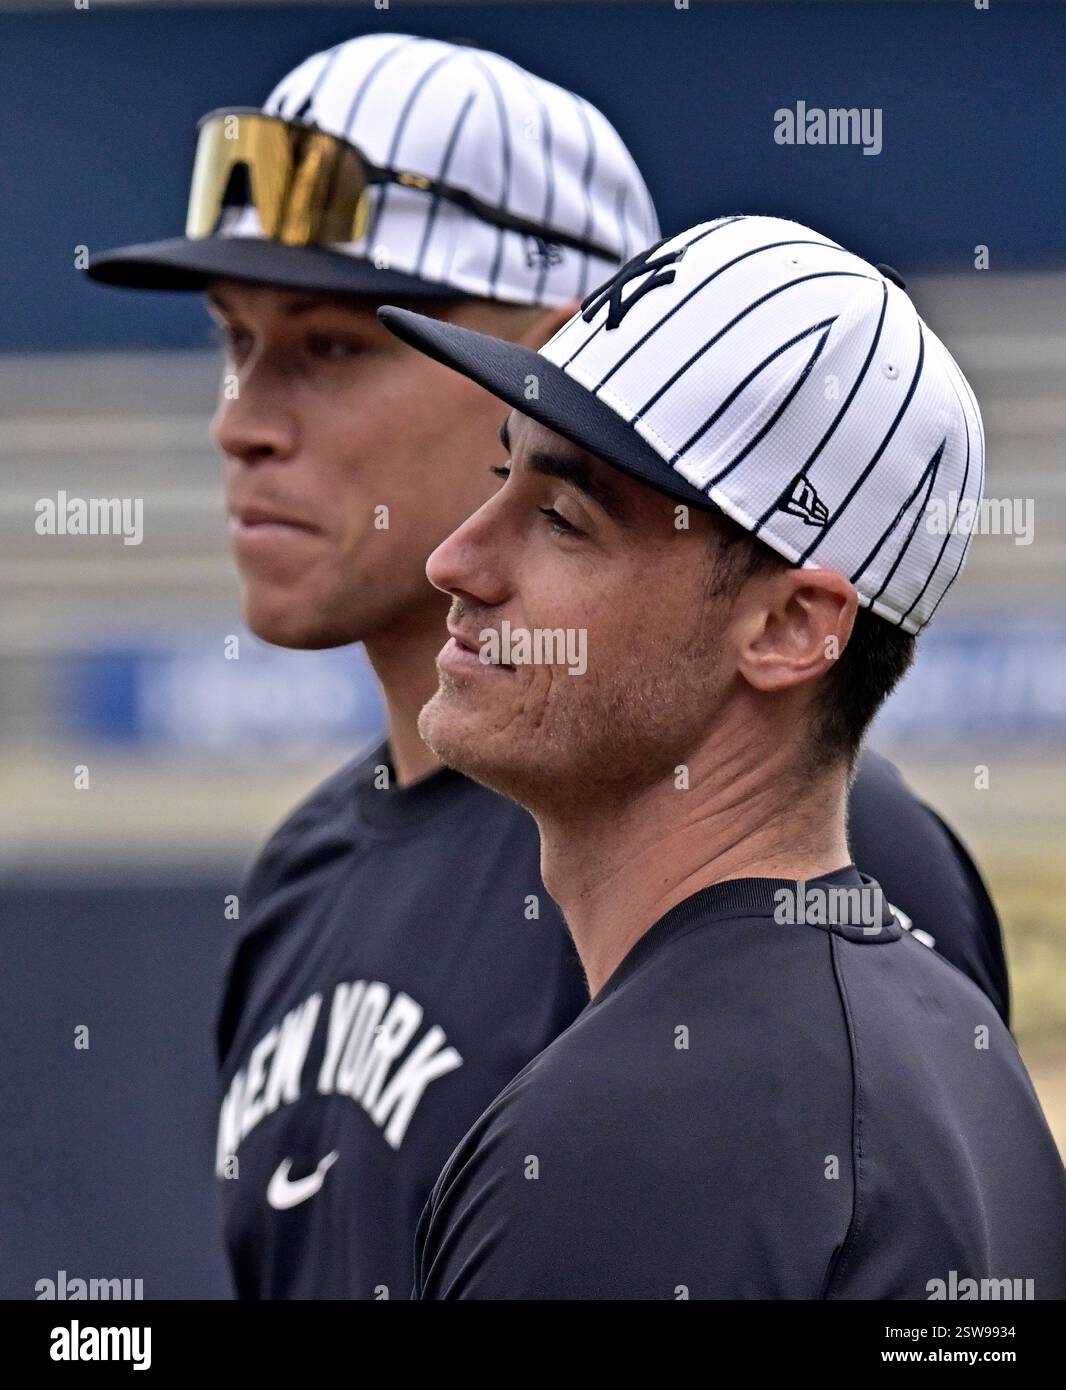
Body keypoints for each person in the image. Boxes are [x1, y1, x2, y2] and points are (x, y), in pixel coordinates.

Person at [86, 33, 1007, 1299]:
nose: (239, 420)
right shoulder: (302, 874)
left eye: (331, 347)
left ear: (576, 353)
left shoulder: (808, 858)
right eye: (231, 341)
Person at [378, 215, 1066, 1299]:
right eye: (498, 475)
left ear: (791, 627)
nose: (454, 558)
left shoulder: (628, 1133)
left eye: (561, 516)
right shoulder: (963, 1054)